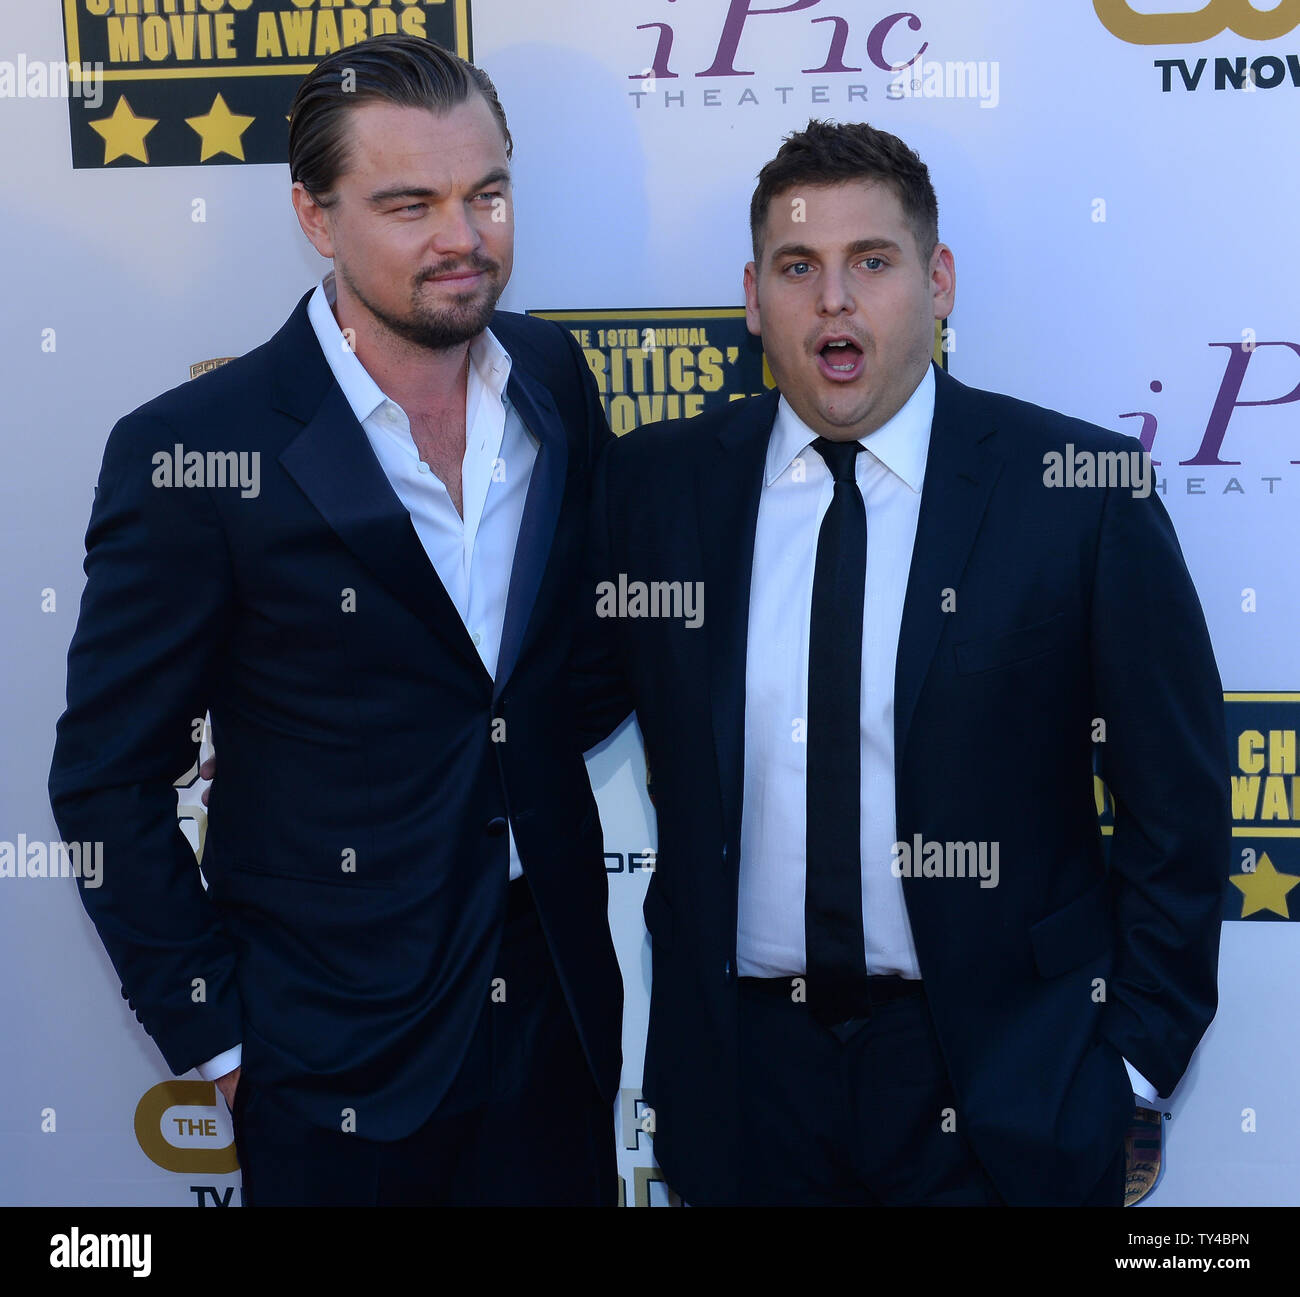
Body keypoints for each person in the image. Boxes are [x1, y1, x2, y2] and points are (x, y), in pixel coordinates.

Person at [579, 119, 1229, 1206]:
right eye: (799, 267)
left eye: (870, 263)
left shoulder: (1074, 491)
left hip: (1003, 1080)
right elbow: (536, 704)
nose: (833, 299)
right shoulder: (659, 489)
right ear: (752, 298)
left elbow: (1179, 802)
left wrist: (1128, 1064)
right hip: (743, 1087)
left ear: (938, 284)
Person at [49, 35, 621, 1207]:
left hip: (553, 1005)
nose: (463, 238)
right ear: (315, 216)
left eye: (487, 193)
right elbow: (106, 779)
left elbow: (562, 668)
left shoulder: (557, 384)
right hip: (329, 1050)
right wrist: (220, 1041)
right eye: (409, 204)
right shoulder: (194, 450)